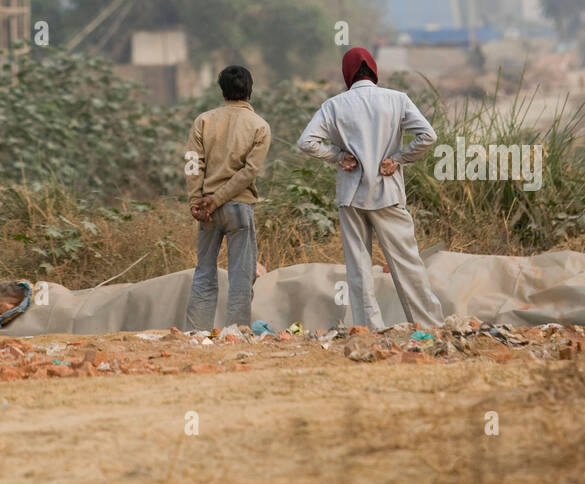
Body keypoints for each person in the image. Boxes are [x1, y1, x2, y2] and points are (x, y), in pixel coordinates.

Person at [297, 46, 444, 331]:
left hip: (352, 196)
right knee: (407, 263)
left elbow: (306, 142)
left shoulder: (334, 105)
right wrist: (399, 158)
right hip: (388, 193)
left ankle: (369, 330)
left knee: (358, 267)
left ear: (347, 74)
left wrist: (338, 157)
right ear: (374, 70)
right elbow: (428, 135)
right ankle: (428, 325)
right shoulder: (397, 99)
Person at [184, 64, 271, 331]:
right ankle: (236, 333)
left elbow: (191, 162)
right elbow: (249, 172)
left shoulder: (203, 121)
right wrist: (219, 198)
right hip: (239, 209)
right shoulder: (260, 126)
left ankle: (196, 333)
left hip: (206, 209)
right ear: (250, 90)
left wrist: (197, 200)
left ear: (222, 90)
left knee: (204, 273)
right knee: (240, 278)